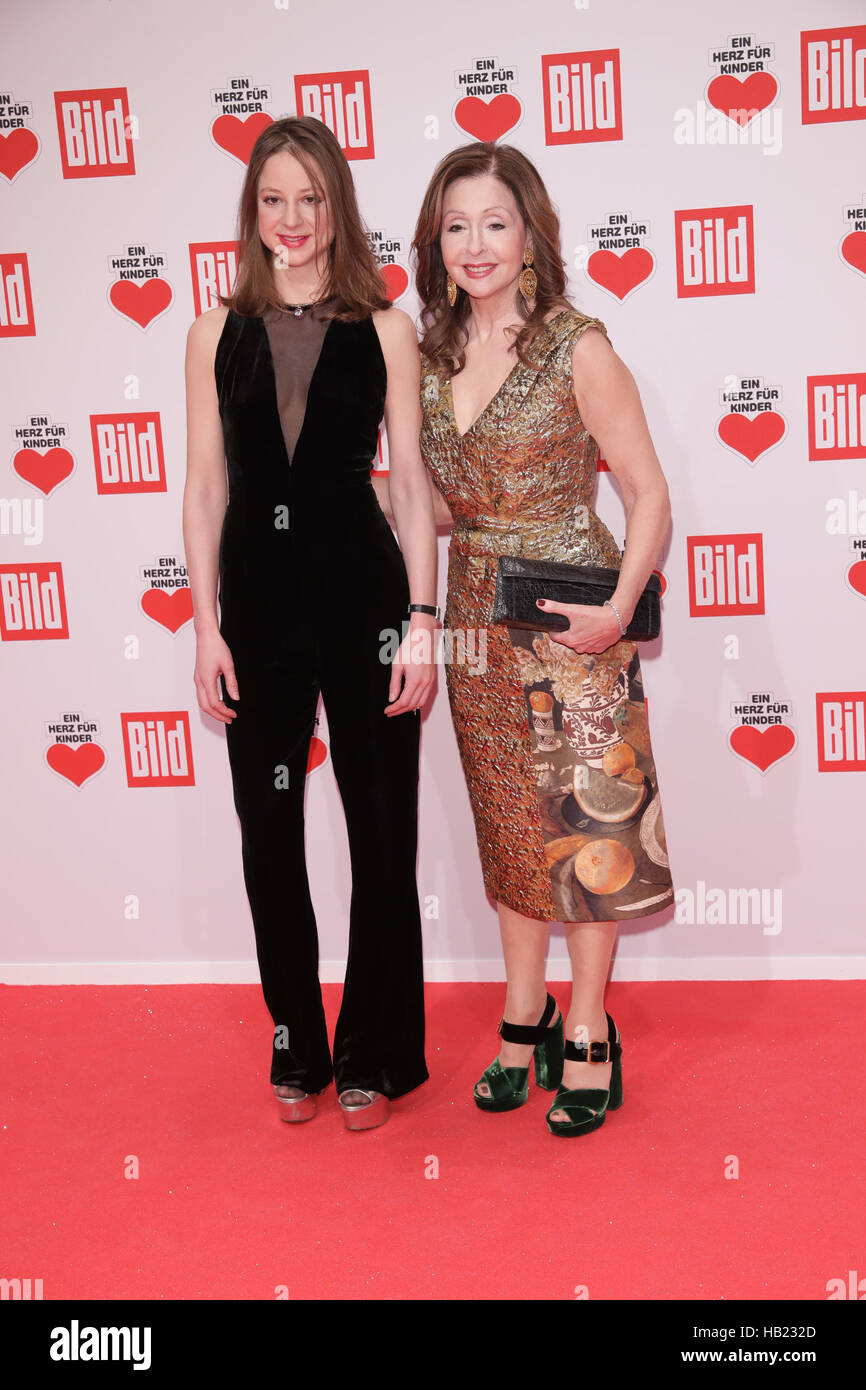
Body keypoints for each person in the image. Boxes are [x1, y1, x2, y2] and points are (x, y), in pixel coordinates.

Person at [411, 141, 674, 1137]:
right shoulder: (433, 360)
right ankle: (522, 1014)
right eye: (455, 225)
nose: (474, 244)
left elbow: (648, 493)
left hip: (570, 620)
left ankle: (590, 1030)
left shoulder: (577, 346)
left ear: (529, 236)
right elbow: (445, 506)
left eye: (493, 223)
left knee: (586, 834)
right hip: (476, 625)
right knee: (511, 833)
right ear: (436, 243)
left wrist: (616, 607)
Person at [182, 116, 438, 1131]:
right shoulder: (213, 330)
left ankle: (375, 1047)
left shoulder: (384, 328)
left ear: (338, 209)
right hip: (255, 607)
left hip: (364, 595)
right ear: (253, 210)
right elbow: (204, 488)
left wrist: (421, 619)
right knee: (267, 834)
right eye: (272, 199)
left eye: (310, 199)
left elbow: (410, 484)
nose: (290, 219)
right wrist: (205, 627)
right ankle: (298, 1041)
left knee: (382, 832)